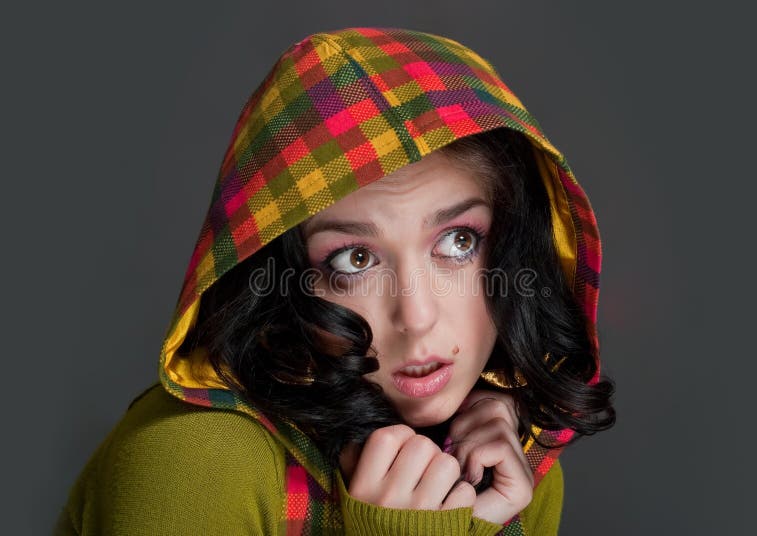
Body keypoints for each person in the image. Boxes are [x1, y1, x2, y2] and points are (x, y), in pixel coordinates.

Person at [56, 27, 615, 535]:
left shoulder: (510, 462)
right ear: (284, 282)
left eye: (458, 243)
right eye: (353, 260)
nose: (416, 317)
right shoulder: (192, 458)